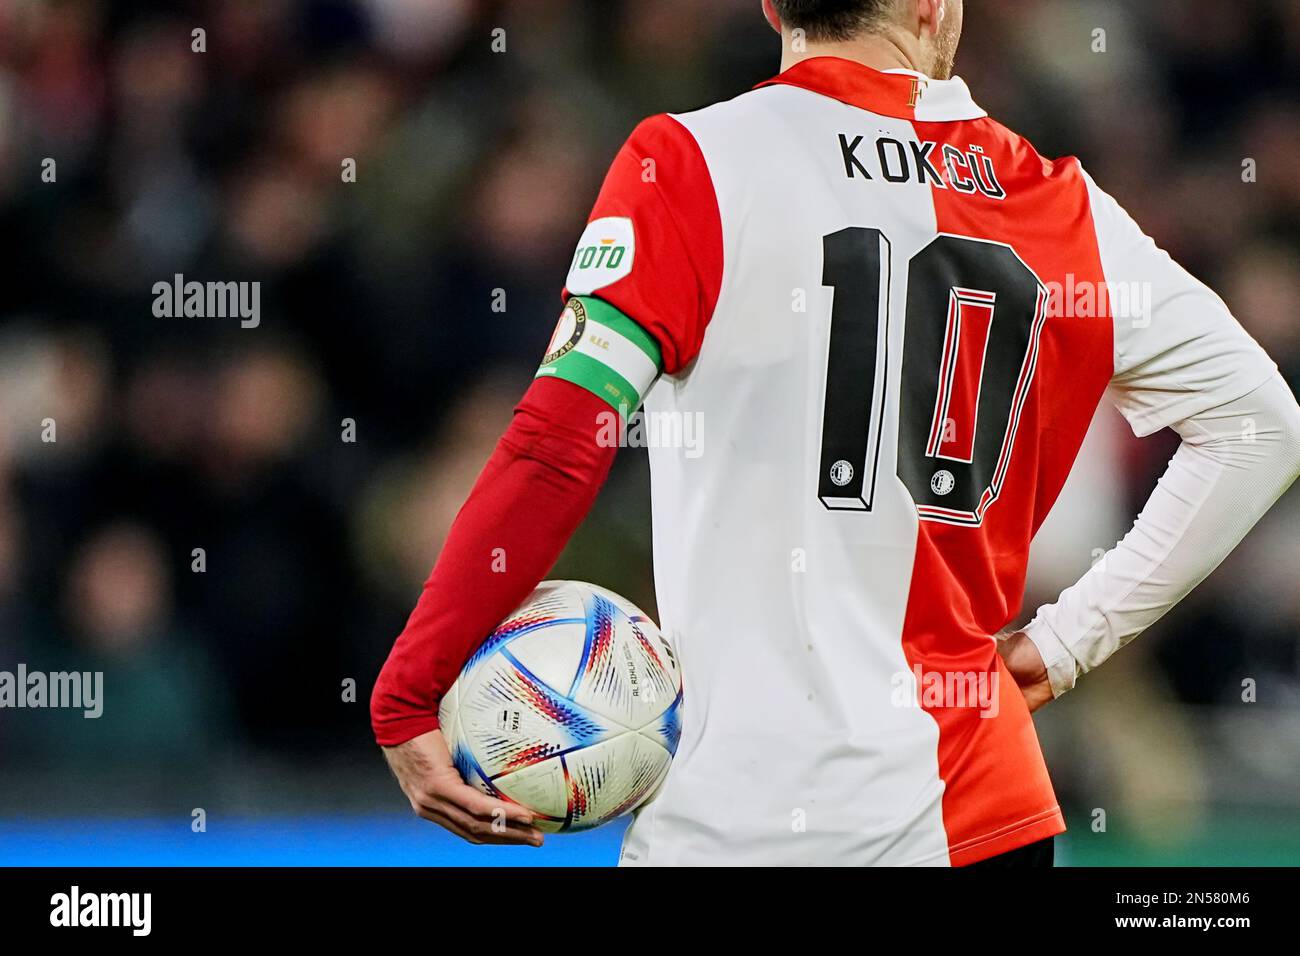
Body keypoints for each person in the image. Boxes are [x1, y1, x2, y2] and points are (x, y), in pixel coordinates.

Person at [370, 0, 1300, 865]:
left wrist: (413, 687)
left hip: (738, 821)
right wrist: (1065, 645)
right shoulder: (1059, 207)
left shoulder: (689, 165)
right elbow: (1262, 428)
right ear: (934, 3)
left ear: (776, 4)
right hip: (973, 806)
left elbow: (558, 443)